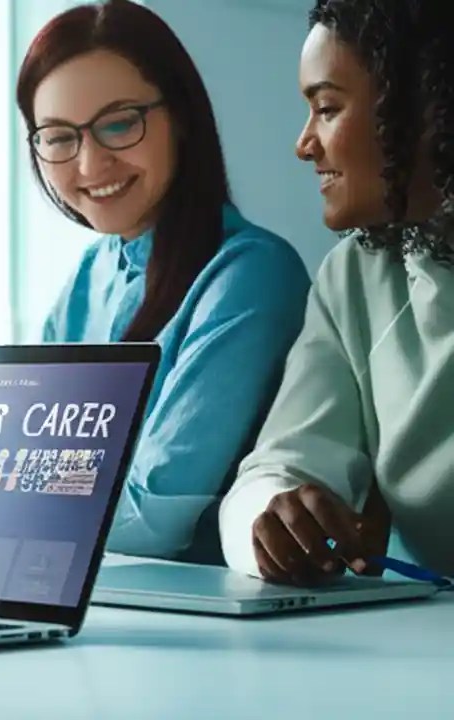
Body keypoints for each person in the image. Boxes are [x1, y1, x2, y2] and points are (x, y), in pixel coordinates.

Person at [11, 0, 312, 562]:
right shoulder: (86, 278)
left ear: (181, 117)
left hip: (195, 624)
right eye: (57, 137)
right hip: (77, 601)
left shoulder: (249, 274)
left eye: (120, 123)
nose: (89, 164)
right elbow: (23, 466)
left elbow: (152, 522)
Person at [221, 0, 454, 585]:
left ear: (429, 105)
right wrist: (274, 519)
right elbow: (279, 465)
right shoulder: (355, 275)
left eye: (327, 108)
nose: (304, 144)